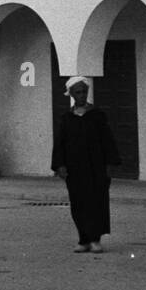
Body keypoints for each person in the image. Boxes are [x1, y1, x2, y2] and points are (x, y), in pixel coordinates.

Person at [51, 76, 120, 254]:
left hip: (97, 167)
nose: (82, 95)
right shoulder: (66, 118)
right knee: (78, 203)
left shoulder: (97, 115)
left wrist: (110, 163)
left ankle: (95, 239)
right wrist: (60, 165)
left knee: (97, 201)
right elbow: (60, 143)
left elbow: (108, 140)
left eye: (84, 91)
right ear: (72, 94)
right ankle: (83, 239)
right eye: (78, 92)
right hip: (75, 169)